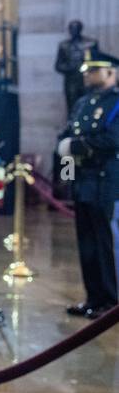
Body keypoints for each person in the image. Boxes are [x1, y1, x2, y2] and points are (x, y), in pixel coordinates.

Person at [59, 50, 119, 319]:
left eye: (92, 70)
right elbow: (67, 141)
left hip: (106, 182)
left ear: (110, 73)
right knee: (87, 243)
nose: (86, 74)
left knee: (107, 243)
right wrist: (69, 176)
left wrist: (76, 146)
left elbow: (112, 140)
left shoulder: (116, 103)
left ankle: (111, 301)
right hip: (82, 183)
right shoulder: (82, 103)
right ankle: (93, 297)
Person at [55, 20, 99, 116]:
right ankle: (72, 128)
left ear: (80, 29)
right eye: (71, 29)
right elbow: (58, 66)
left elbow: (97, 63)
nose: (73, 31)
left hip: (87, 80)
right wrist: (70, 67)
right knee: (72, 108)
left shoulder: (90, 43)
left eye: (75, 28)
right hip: (71, 82)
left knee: (88, 105)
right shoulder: (64, 46)